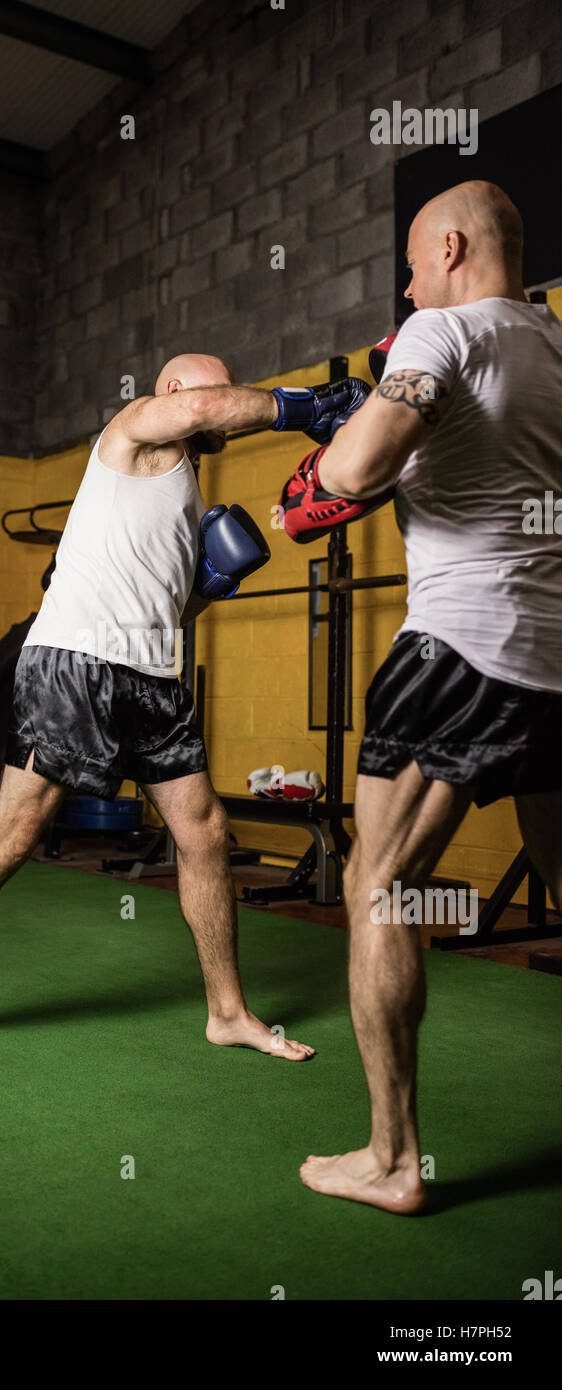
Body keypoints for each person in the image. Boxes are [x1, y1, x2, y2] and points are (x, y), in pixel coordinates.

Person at [0, 352, 366, 1066]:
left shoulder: (182, 493)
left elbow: (175, 606)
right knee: (16, 830)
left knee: (203, 831)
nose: (224, 401)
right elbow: (207, 410)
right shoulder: (133, 429)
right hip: (76, 661)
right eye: (213, 387)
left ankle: (227, 1012)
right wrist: (307, 407)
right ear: (173, 392)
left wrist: (214, 582)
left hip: (151, 675)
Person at [284, 180, 562, 1212]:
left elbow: (350, 471)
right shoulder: (552, 345)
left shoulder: (435, 330)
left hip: (457, 643)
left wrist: (332, 455)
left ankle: (392, 1158)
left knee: (379, 885)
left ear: (448, 247)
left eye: (409, 263)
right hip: (553, 657)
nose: (405, 285)